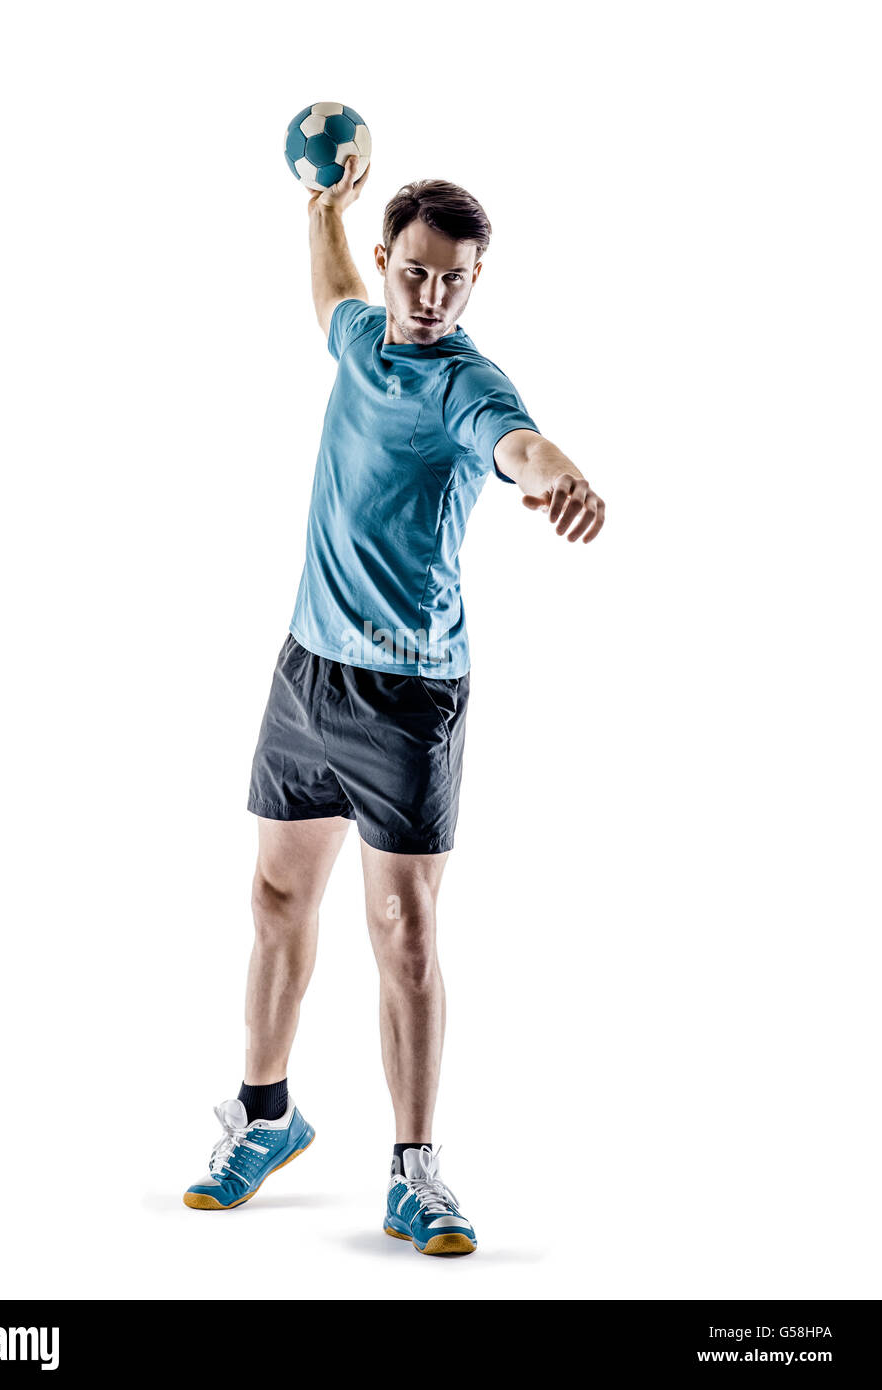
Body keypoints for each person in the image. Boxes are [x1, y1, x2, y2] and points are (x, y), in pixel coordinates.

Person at [183, 155, 605, 1255]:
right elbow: (329, 296)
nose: (430, 298)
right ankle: (265, 1115)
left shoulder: (470, 384)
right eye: (414, 273)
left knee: (402, 930)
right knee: (276, 899)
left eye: (453, 281)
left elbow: (516, 442)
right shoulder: (362, 336)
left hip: (409, 697)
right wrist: (322, 208)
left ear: (476, 282)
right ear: (390, 261)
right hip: (304, 673)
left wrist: (555, 475)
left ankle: (414, 1172)